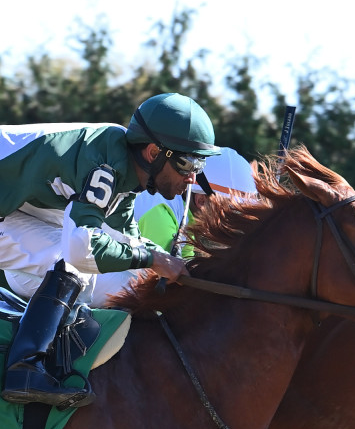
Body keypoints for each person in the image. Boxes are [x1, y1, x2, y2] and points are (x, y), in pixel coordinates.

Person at [0, 92, 219, 406]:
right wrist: (154, 259)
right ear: (154, 152)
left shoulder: (123, 166)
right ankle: (25, 369)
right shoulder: (104, 164)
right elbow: (82, 249)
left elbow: (126, 237)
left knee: (109, 274)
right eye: (188, 163)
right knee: (74, 260)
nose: (193, 177)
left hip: (14, 210)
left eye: (200, 164)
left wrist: (172, 265)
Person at [91, 145, 258, 302]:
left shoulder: (186, 214)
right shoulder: (161, 216)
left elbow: (187, 268)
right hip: (89, 269)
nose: (234, 223)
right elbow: (159, 282)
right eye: (231, 213)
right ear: (201, 200)